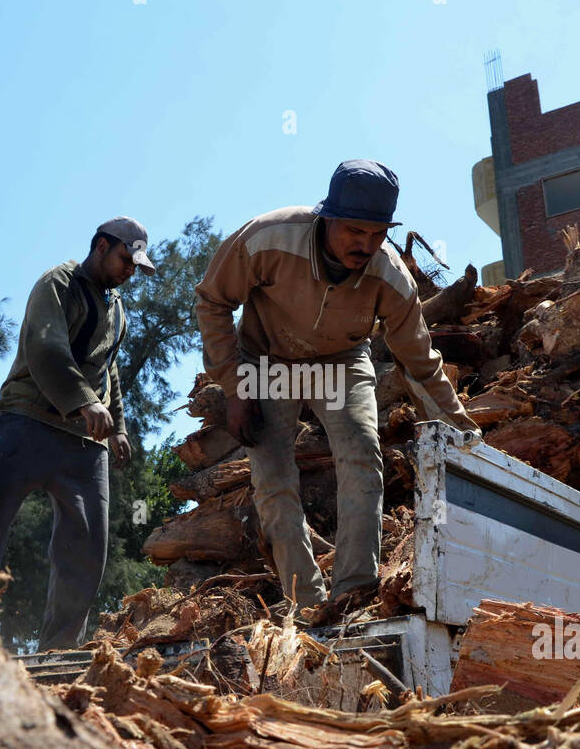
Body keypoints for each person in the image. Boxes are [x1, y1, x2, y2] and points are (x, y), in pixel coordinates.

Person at [194, 160, 479, 609]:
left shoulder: (390, 278)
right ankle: (306, 605)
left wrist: (466, 439)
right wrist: (234, 388)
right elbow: (212, 300)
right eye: (353, 231)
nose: (365, 245)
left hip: (341, 362)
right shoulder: (268, 239)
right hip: (266, 361)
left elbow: (420, 364)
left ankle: (353, 593)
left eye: (377, 234)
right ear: (326, 217)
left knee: (363, 455)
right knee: (273, 479)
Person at [0, 217, 154, 650]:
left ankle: (57, 653)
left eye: (137, 265)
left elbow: (109, 370)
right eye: (126, 260)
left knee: (88, 550)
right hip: (28, 420)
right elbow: (45, 346)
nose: (131, 271)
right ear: (101, 246)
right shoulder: (58, 283)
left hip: (86, 442)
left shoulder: (118, 309)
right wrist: (84, 401)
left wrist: (119, 427)